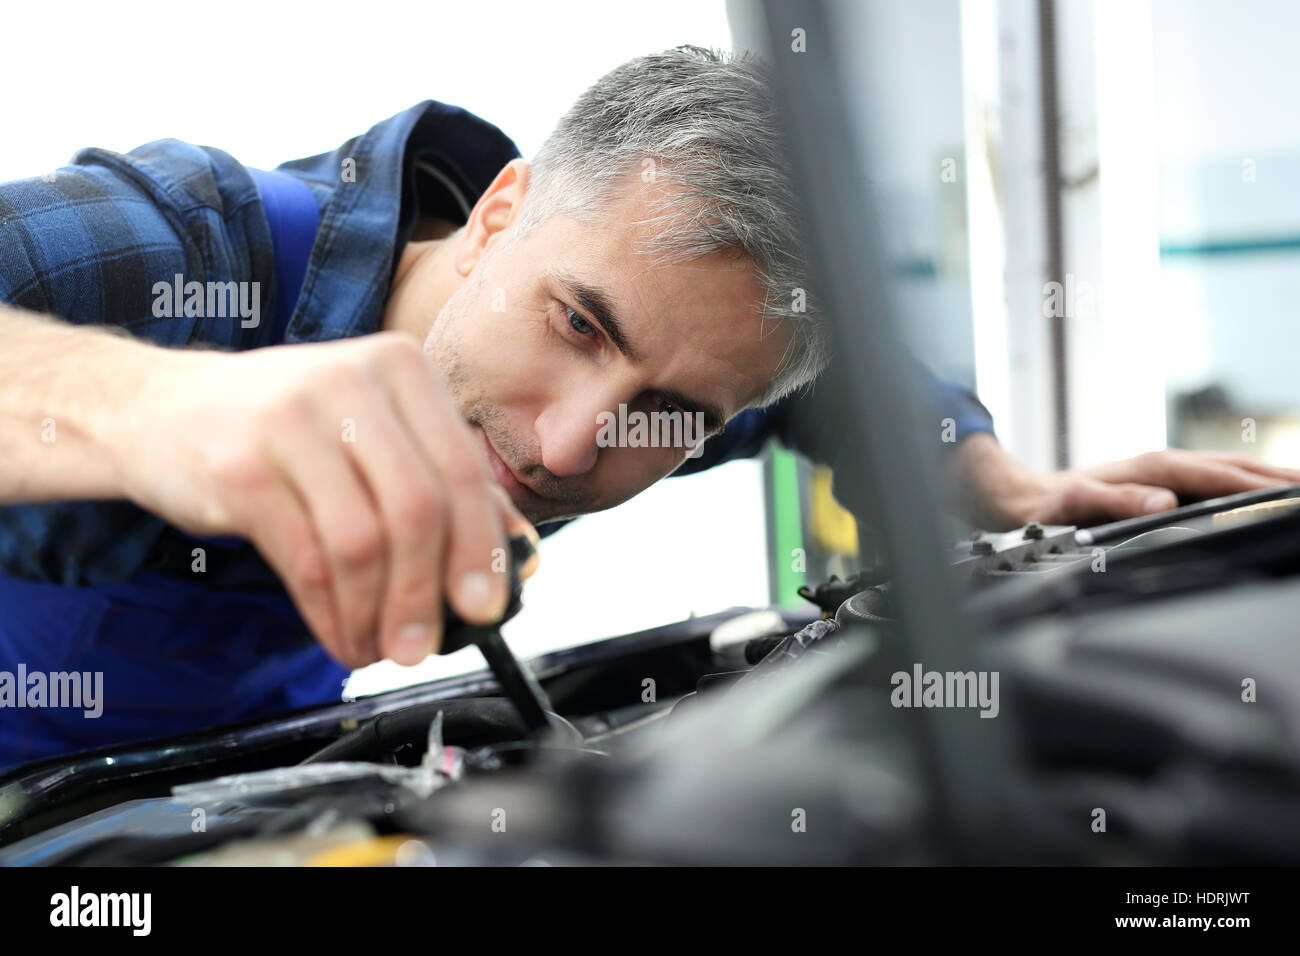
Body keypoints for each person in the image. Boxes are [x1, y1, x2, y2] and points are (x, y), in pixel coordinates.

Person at [1, 47, 1295, 768]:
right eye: (576, 323)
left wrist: (980, 469)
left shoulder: (659, 394)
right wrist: (142, 403)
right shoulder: (176, 252)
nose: (571, 448)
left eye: (672, 412)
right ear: (499, 212)